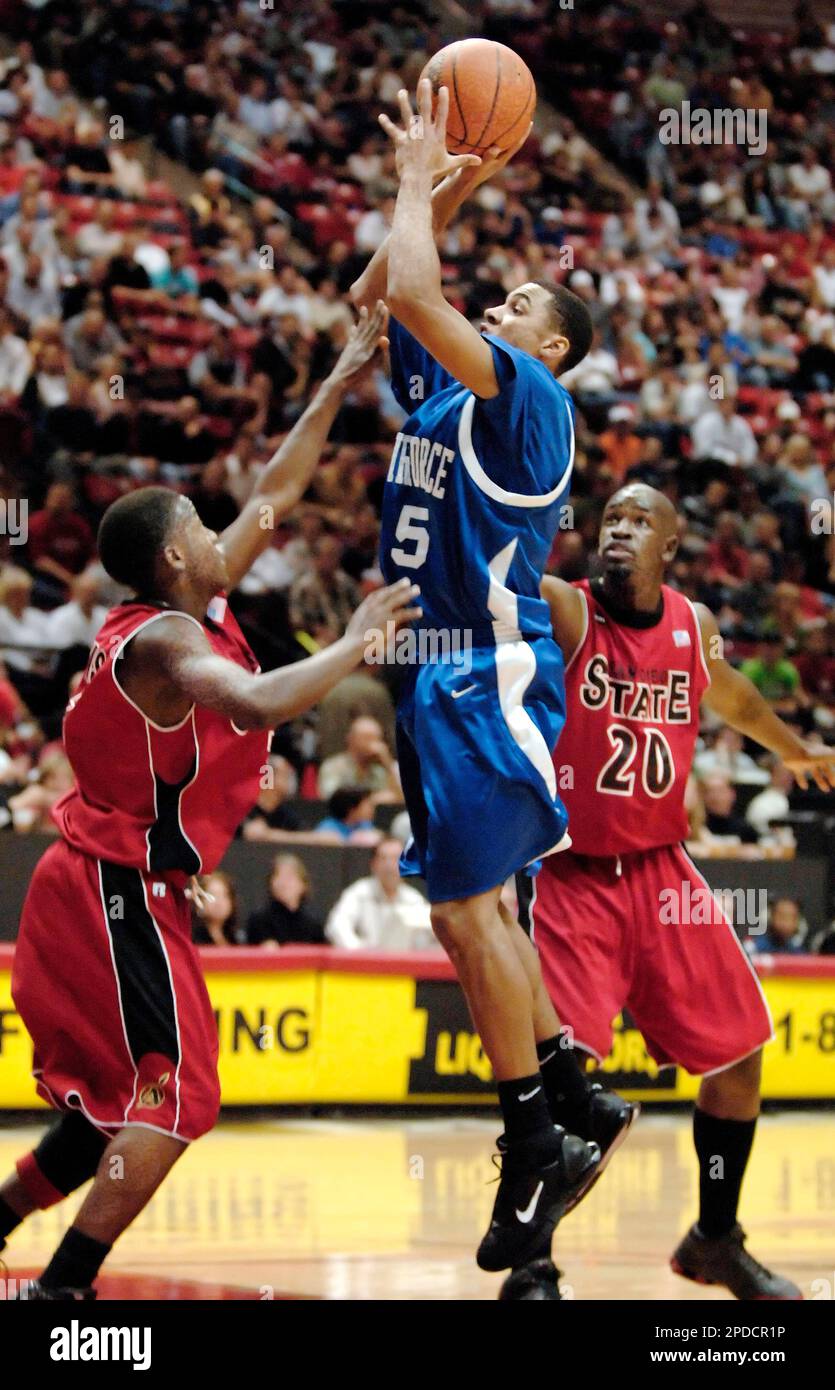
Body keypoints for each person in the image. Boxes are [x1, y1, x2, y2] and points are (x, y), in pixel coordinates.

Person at [0, 304, 421, 1300]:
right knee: (177, 1097)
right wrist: (356, 640)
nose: (218, 526)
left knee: (110, 1109)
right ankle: (63, 1290)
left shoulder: (184, 606)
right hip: (113, 886)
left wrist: (340, 376)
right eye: (198, 523)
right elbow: (259, 695)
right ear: (177, 559)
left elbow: (276, 486)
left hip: (105, 882)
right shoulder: (167, 645)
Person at [351, 80, 601, 1273]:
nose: (492, 309)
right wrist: (454, 184)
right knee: (471, 914)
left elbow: (413, 286)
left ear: (547, 345)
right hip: (425, 675)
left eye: (513, 306)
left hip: (483, 668)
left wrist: (417, 178)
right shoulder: (445, 390)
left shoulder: (532, 400)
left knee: (465, 908)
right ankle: (564, 1098)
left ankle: (537, 1132)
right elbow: (378, 297)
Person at [507, 482, 835, 1300]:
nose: (617, 529)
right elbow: (500, 576)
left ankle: (714, 1240)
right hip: (570, 871)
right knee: (556, 1077)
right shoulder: (569, 609)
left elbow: (733, 698)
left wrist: (795, 750)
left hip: (658, 870)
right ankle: (530, 1262)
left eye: (638, 520)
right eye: (609, 517)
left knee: (739, 1050)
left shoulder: (695, 629)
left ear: (671, 543)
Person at [325, 837, 435, 951]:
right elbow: (336, 927)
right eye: (383, 858)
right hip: (364, 964)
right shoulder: (358, 893)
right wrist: (361, 952)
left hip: (402, 965)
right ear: (373, 864)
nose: (389, 866)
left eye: (395, 859)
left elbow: (430, 938)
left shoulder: (414, 900)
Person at [317, 714, 401, 803]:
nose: (374, 744)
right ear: (351, 739)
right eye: (368, 738)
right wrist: (372, 800)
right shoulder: (333, 766)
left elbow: (401, 798)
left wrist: (388, 764)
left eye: (377, 739)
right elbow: (331, 798)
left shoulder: (379, 771)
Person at [246, 854, 323, 946]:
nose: (283, 883)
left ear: (303, 885)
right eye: (278, 876)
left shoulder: (313, 921)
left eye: (290, 877)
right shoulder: (260, 919)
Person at [190, 871, 241, 946]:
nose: (218, 903)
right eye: (212, 895)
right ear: (200, 900)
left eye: (224, 896)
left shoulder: (234, 938)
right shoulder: (192, 938)